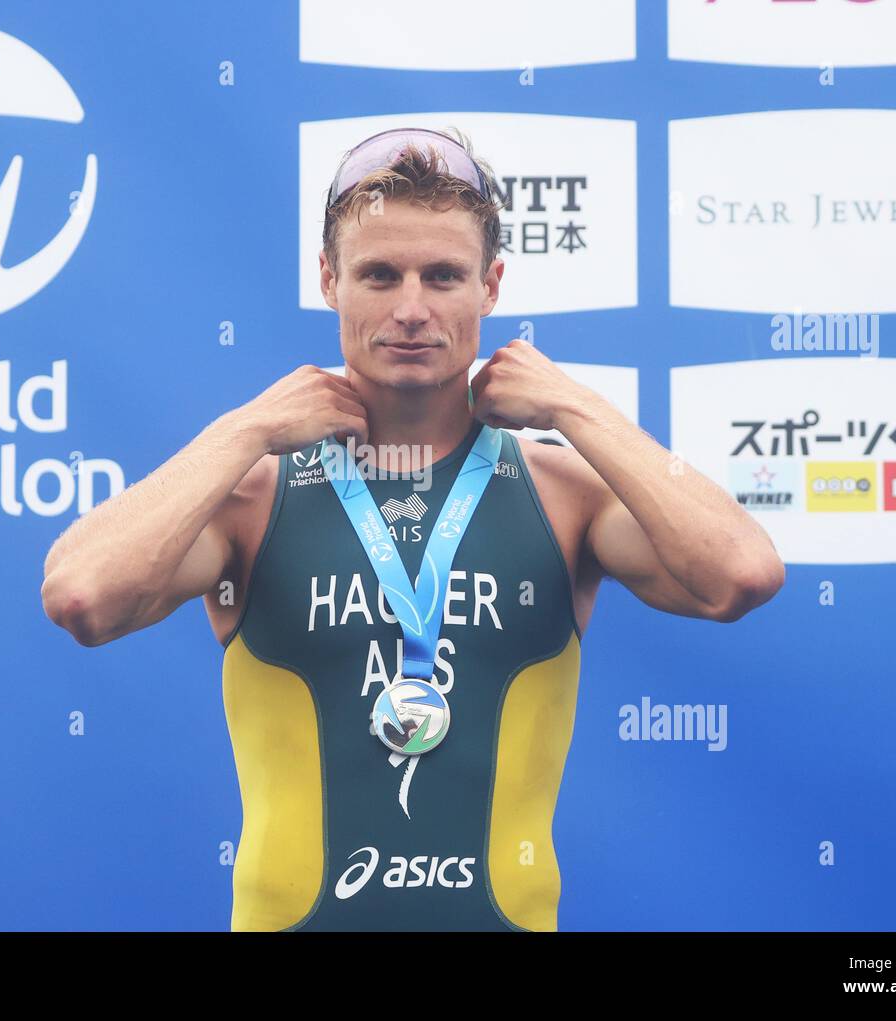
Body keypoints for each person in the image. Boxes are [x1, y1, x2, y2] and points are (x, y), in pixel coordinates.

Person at [40, 127, 785, 931]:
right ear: (329, 280)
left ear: (491, 286)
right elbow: (83, 595)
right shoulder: (254, 494)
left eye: (443, 276)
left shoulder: (561, 492)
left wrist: (579, 408)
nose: (411, 308)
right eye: (379, 274)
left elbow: (741, 573)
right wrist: (244, 430)